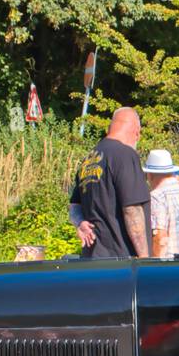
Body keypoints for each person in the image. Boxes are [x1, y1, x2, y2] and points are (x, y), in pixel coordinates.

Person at [68, 107, 150, 259]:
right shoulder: (125, 154)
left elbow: (74, 206)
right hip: (122, 261)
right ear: (137, 131)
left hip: (93, 258)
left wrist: (80, 223)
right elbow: (132, 209)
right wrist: (145, 258)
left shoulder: (89, 159)